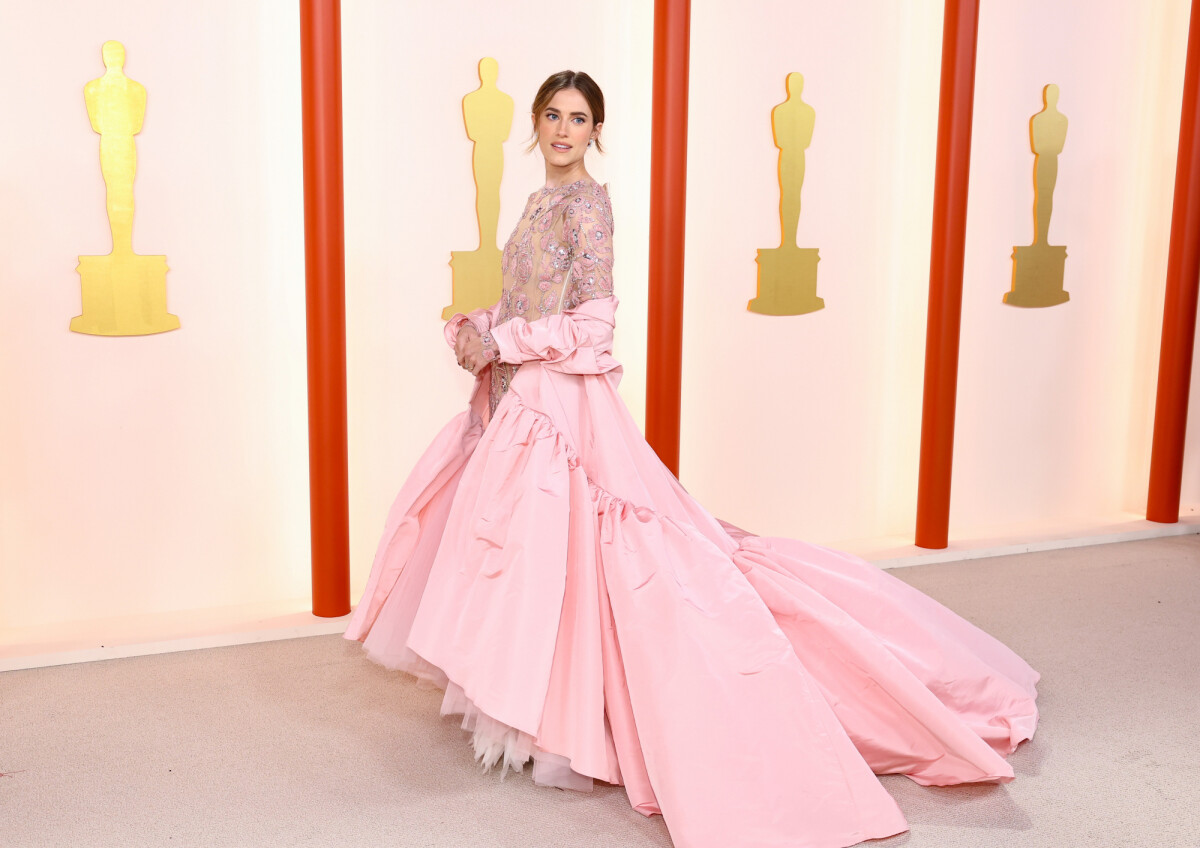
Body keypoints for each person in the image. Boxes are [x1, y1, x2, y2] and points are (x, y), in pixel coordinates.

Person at [346, 70, 1039, 848]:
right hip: (517, 396)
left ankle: (572, 715)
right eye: (553, 116)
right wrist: (479, 329)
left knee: (599, 555)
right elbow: (530, 301)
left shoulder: (588, 206)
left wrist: (504, 340)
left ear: (597, 131)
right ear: (535, 124)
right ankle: (536, 704)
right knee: (536, 556)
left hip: (559, 406)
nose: (564, 130)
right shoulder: (539, 200)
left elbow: (595, 326)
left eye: (579, 118)